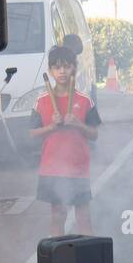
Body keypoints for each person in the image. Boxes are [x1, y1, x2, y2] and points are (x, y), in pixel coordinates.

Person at [30, 44, 101, 237]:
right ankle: (59, 255)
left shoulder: (85, 100)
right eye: (57, 67)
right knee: (58, 216)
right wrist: (51, 127)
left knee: (84, 217)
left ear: (74, 69)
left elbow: (94, 134)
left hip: (78, 167)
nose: (62, 71)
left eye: (66, 66)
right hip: (52, 167)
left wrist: (78, 124)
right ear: (50, 71)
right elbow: (32, 133)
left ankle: (89, 253)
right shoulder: (41, 100)